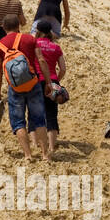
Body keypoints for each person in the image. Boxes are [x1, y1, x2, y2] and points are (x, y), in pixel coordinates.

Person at [0, 15, 54, 161]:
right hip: (33, 83)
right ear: (19, 25)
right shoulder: (30, 39)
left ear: (3, 28)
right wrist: (48, 82)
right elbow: (41, 60)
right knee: (39, 120)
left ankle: (28, 155)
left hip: (15, 88)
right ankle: (45, 154)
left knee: (19, 122)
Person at [34, 19, 66, 158]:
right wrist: (56, 81)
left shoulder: (34, 45)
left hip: (37, 80)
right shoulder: (56, 47)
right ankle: (52, 147)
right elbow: (63, 69)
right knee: (51, 113)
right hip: (52, 81)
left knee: (35, 113)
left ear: (38, 31)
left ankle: (37, 144)